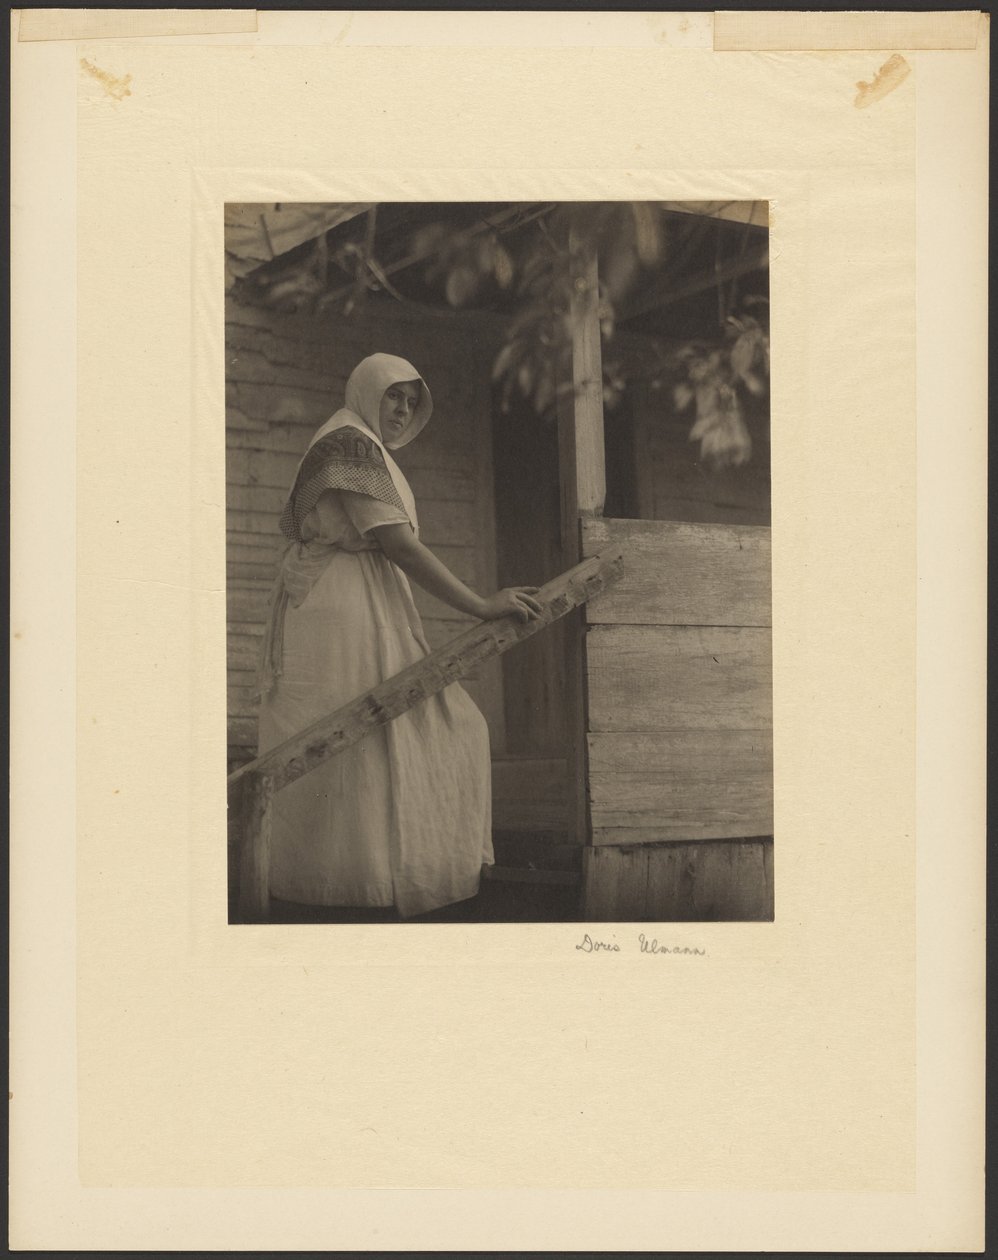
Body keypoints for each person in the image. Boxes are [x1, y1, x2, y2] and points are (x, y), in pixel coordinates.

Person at [257, 352, 542, 918]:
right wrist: (481, 605)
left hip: (363, 598)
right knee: (349, 736)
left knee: (410, 733)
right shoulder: (349, 444)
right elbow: (400, 546)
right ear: (366, 392)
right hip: (341, 608)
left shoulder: (362, 444)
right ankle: (337, 888)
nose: (403, 409)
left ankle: (376, 882)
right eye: (393, 395)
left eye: (412, 402)